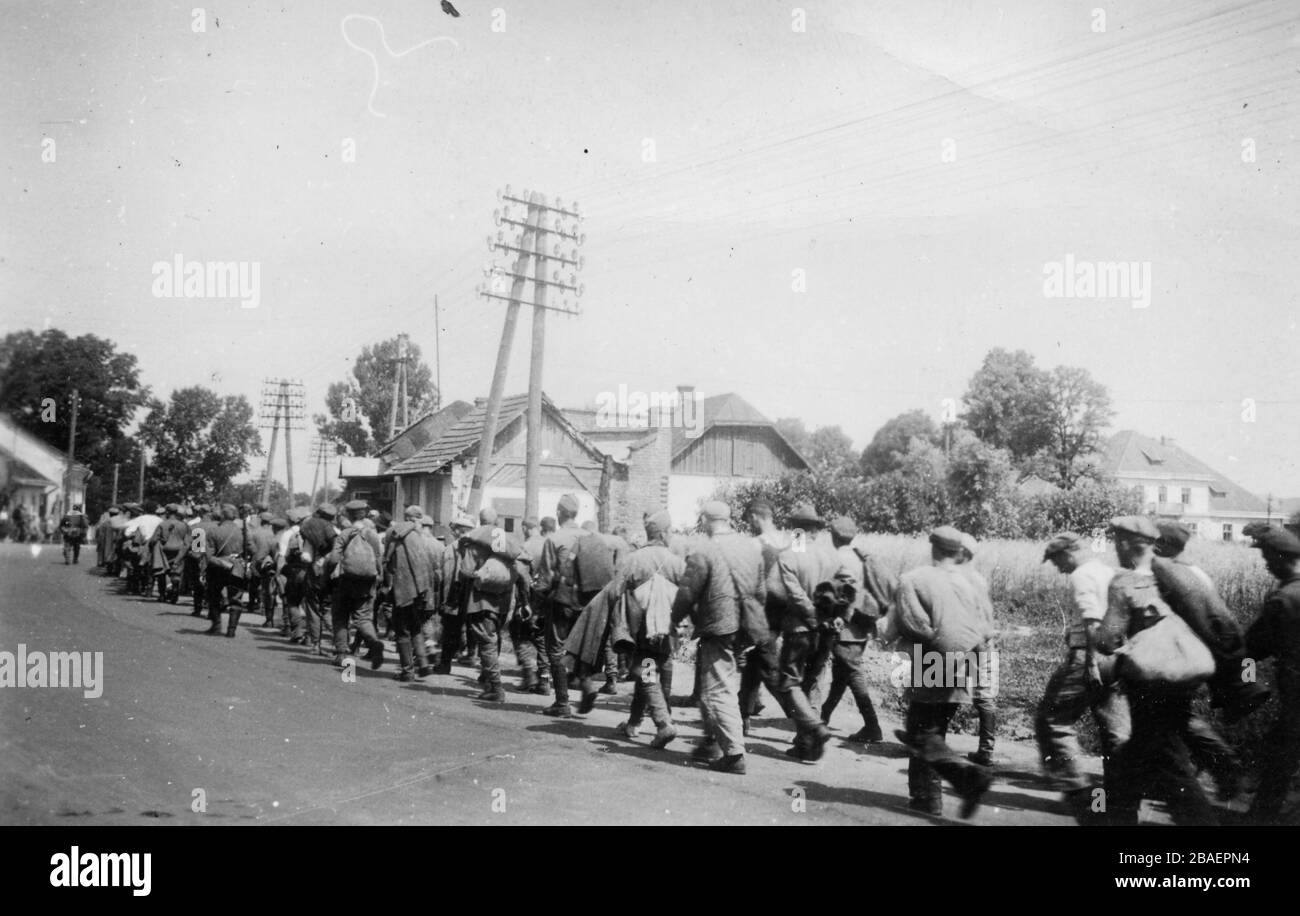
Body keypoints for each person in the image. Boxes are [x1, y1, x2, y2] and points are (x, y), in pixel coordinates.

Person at [1095, 516, 1217, 826]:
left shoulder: (1126, 581)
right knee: (1131, 764)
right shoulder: (1183, 575)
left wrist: (1109, 643)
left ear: (1124, 543)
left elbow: (1108, 639)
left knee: (1169, 766)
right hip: (1183, 678)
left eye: (1116, 541)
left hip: (1149, 686)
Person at [893, 526, 995, 818]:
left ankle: (964, 778)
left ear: (933, 548)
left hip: (931, 660)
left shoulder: (913, 579)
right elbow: (986, 627)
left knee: (921, 731)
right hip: (967, 663)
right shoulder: (974, 581)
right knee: (934, 729)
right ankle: (929, 798)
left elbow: (913, 626)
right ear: (958, 551)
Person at [1037, 532, 1131, 819]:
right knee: (1116, 733)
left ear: (1069, 553)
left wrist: (1091, 662)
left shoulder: (1082, 575)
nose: (1058, 567)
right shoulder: (1109, 571)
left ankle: (1080, 794)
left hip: (1087, 656)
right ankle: (1120, 805)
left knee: (1052, 720)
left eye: (1056, 560)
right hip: (1117, 656)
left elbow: (1092, 620)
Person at [669, 500, 766, 774]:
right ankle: (710, 742)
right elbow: (760, 589)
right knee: (720, 683)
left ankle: (734, 754)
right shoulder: (749, 546)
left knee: (717, 690)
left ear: (704, 520)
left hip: (719, 626)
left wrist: (673, 619)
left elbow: (687, 592)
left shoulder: (706, 550)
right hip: (745, 626)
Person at [1151, 520, 1244, 801]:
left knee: (1172, 718)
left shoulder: (1167, 574)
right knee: (1173, 718)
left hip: (1179, 656)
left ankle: (1221, 766)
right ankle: (1205, 770)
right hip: (1193, 655)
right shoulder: (1195, 572)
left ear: (1164, 544)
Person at [775, 503, 849, 761]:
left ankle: (813, 728)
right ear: (816, 529)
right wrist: (839, 616)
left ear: (795, 529)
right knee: (815, 680)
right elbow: (848, 588)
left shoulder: (787, 556)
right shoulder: (832, 556)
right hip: (827, 630)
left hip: (800, 628)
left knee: (789, 682)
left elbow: (794, 594)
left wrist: (812, 616)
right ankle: (807, 746)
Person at [608, 509, 687, 748]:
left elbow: (614, 592)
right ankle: (636, 723)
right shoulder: (676, 562)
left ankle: (663, 724)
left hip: (641, 627)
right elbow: (688, 595)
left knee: (647, 671)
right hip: (668, 627)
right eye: (671, 530)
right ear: (663, 533)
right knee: (657, 667)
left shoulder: (634, 559)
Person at [1244, 526, 1300, 823]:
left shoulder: (1284, 599)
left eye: (1268, 558)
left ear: (1282, 558)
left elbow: (1254, 645)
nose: (1266, 564)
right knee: (1281, 746)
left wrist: (1235, 666)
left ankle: (1260, 817)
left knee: (1283, 750)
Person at [815, 515, 886, 744]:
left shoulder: (838, 559)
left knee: (852, 672)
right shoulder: (860, 556)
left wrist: (842, 618)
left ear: (833, 536)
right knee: (842, 674)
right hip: (862, 626)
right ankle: (823, 716)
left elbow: (849, 592)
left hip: (847, 628)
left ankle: (872, 726)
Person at [534, 495, 592, 717]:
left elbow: (546, 578)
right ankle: (587, 686)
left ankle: (562, 702)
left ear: (559, 513)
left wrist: (536, 604)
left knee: (556, 650)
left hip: (561, 603)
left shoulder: (555, 539)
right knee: (579, 650)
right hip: (585, 603)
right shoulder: (589, 536)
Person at [456, 508, 520, 702]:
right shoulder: (505, 541)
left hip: (480, 599)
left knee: (486, 642)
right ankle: (487, 677)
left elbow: (466, 570)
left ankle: (495, 686)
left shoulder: (474, 541)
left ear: (479, 520)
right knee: (493, 638)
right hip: (503, 599)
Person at [328, 500, 386, 670]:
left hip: (346, 581)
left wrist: (328, 575)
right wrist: (378, 577)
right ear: (365, 514)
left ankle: (341, 654)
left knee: (340, 616)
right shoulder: (373, 534)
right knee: (363, 617)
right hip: (367, 583)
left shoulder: (345, 533)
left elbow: (333, 559)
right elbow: (379, 559)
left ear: (349, 515)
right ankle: (374, 643)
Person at [957, 532, 998, 767]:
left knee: (944, 689)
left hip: (967, 640)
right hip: (983, 638)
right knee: (984, 694)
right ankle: (986, 750)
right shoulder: (978, 578)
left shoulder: (957, 578)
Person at [385, 506, 435, 682]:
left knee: (402, 630)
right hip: (419, 589)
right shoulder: (418, 536)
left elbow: (388, 562)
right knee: (415, 627)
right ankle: (423, 664)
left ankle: (407, 671)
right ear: (418, 519)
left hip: (402, 588)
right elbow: (424, 564)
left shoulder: (394, 532)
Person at [512, 517, 552, 694]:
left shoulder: (526, 547)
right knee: (542, 639)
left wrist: (525, 602)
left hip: (530, 600)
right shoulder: (549, 543)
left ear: (525, 528)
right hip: (548, 600)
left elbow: (522, 577)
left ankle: (528, 674)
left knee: (518, 634)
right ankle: (544, 679)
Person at [433, 514, 475, 674]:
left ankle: (445, 664)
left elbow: (448, 575)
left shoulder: (453, 547)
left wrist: (444, 601)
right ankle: (485, 673)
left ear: (458, 530)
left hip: (455, 596)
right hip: (474, 597)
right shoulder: (478, 547)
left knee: (450, 630)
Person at [299, 504, 339, 653]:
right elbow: (336, 551)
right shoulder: (334, 530)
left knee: (312, 607)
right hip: (331, 573)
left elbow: (305, 555)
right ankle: (339, 643)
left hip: (313, 572)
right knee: (328, 608)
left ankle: (316, 644)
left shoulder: (308, 526)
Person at [205, 504, 246, 636]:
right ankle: (231, 630)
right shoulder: (243, 531)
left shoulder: (211, 530)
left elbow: (204, 552)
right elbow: (251, 549)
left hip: (218, 566)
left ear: (221, 516)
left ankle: (216, 626)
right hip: (237, 566)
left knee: (214, 596)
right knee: (236, 598)